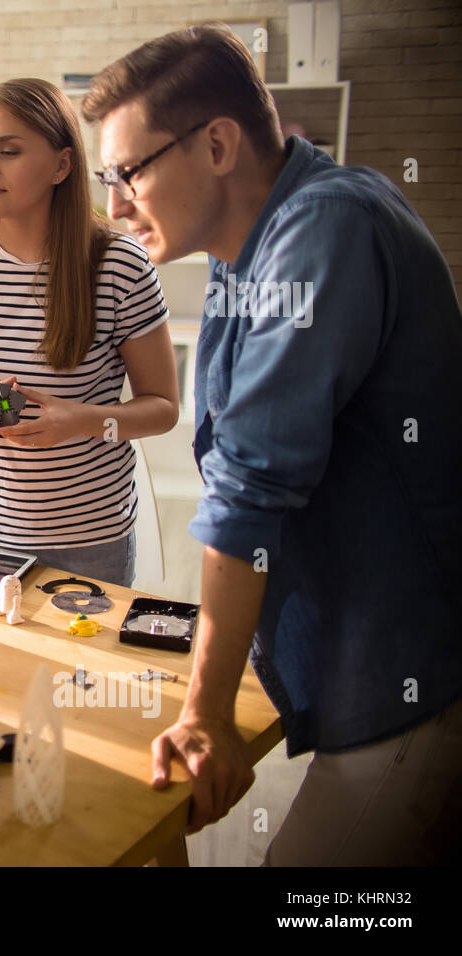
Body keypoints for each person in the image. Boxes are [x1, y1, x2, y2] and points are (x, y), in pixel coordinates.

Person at [83, 24, 462, 864]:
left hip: (408, 671)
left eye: (128, 173)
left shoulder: (324, 230)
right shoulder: (244, 243)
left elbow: (249, 486)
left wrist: (208, 715)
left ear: (216, 143)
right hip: (344, 644)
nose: (112, 204)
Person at [0, 78, 179, 587]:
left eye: (8, 151)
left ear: (61, 165)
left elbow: (162, 409)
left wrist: (80, 421)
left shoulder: (119, 264)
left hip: (88, 539)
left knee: (73, 669)